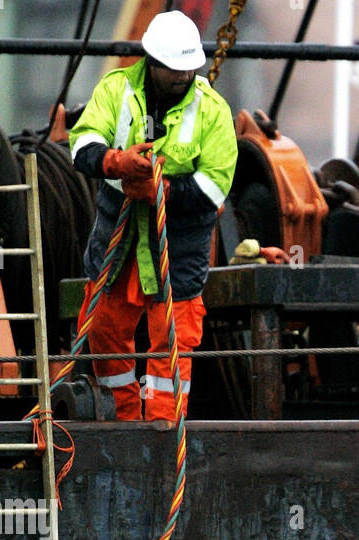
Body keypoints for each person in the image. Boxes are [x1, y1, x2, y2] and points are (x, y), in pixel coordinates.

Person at [69, 11, 238, 420]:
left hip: (177, 250)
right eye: (175, 70)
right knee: (106, 331)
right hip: (119, 242)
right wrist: (115, 162)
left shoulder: (212, 110)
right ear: (152, 63)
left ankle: (163, 431)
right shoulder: (117, 90)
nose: (184, 76)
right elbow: (82, 145)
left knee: (173, 341)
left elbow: (215, 185)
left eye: (189, 69)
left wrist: (161, 190)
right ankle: (124, 421)